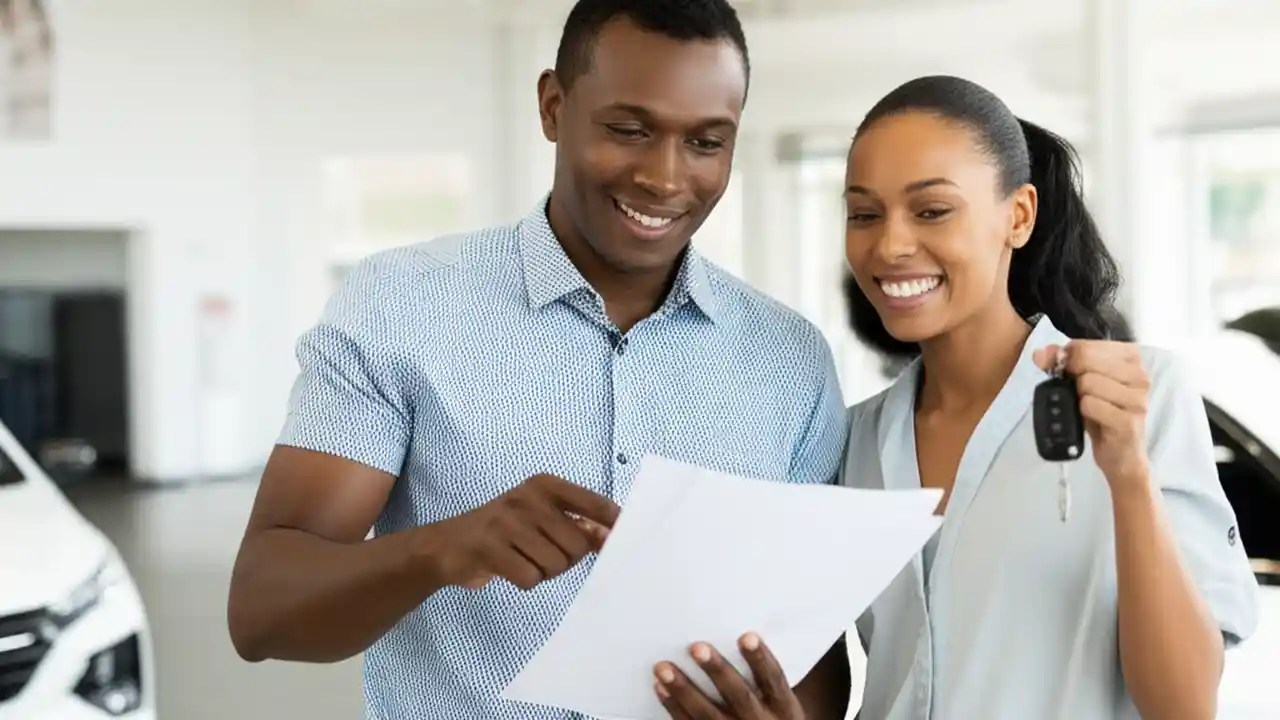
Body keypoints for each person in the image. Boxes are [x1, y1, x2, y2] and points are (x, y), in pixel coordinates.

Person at [225, 1, 851, 718]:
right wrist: (442, 549)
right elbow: (261, 609)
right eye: (628, 130)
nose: (664, 177)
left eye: (707, 143)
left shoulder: (791, 361)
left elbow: (810, 654)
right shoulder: (400, 305)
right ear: (554, 106)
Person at [655, 75, 1260, 720]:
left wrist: (1129, 478)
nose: (889, 245)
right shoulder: (853, 440)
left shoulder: (1140, 399)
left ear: (1017, 217)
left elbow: (1185, 706)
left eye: (932, 210)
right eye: (863, 214)